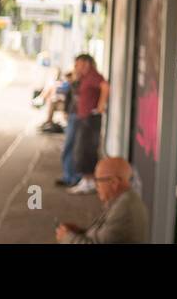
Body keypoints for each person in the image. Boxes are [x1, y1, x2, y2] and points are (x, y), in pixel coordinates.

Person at [55, 157, 148, 244]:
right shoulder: (122, 200)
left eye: (98, 180)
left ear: (114, 183)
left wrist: (67, 238)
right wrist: (79, 232)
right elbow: (105, 236)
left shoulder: (124, 209)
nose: (96, 186)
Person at [67, 54, 109, 194]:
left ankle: (90, 181)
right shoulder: (85, 77)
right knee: (81, 150)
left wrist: (101, 105)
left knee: (87, 150)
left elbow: (105, 86)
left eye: (78, 64)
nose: (76, 67)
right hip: (83, 117)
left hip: (90, 118)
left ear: (86, 63)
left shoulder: (94, 76)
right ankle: (86, 180)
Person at [55, 62, 83, 186]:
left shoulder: (83, 82)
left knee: (73, 146)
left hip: (79, 117)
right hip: (73, 115)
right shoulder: (75, 82)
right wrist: (66, 111)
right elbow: (69, 97)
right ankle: (69, 175)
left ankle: (74, 176)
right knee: (70, 147)